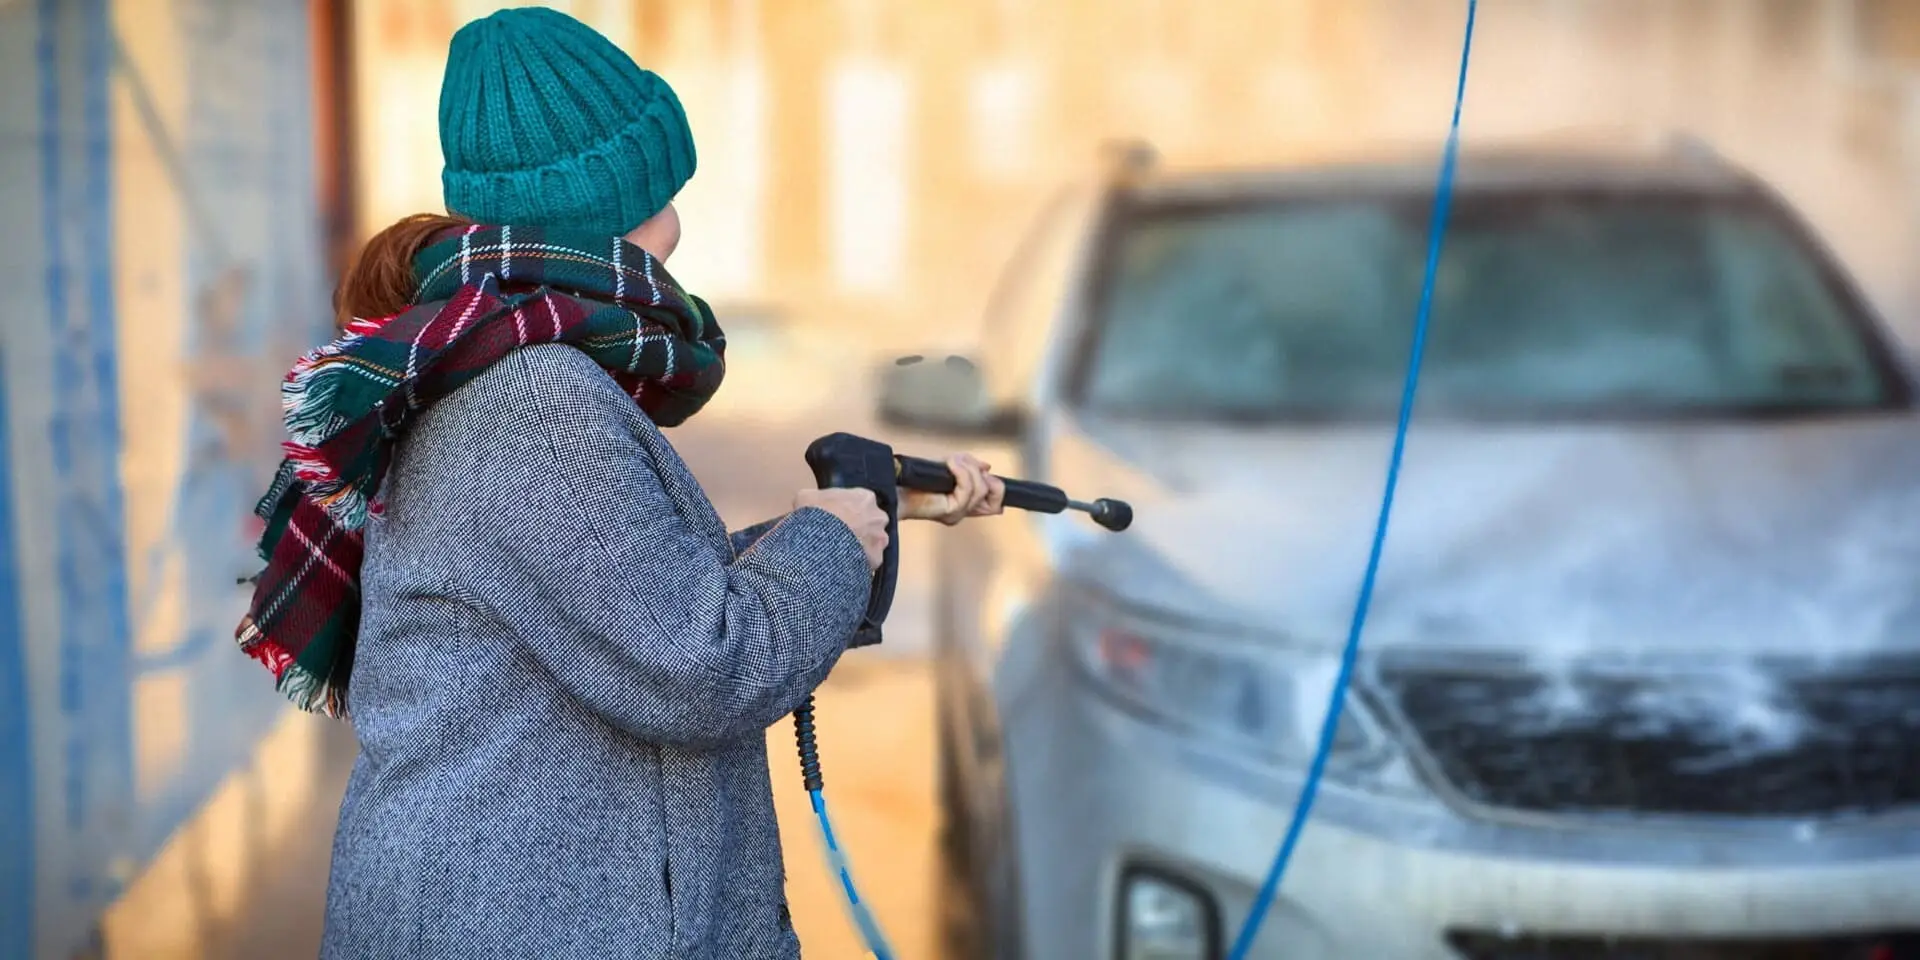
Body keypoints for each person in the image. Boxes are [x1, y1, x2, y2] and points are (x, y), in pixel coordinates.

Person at [233, 8, 1004, 958]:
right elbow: (703, 667)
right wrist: (830, 543)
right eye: (663, 176)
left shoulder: (500, 357)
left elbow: (617, 595)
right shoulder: (537, 398)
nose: (680, 207)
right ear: (621, 195)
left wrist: (856, 520)